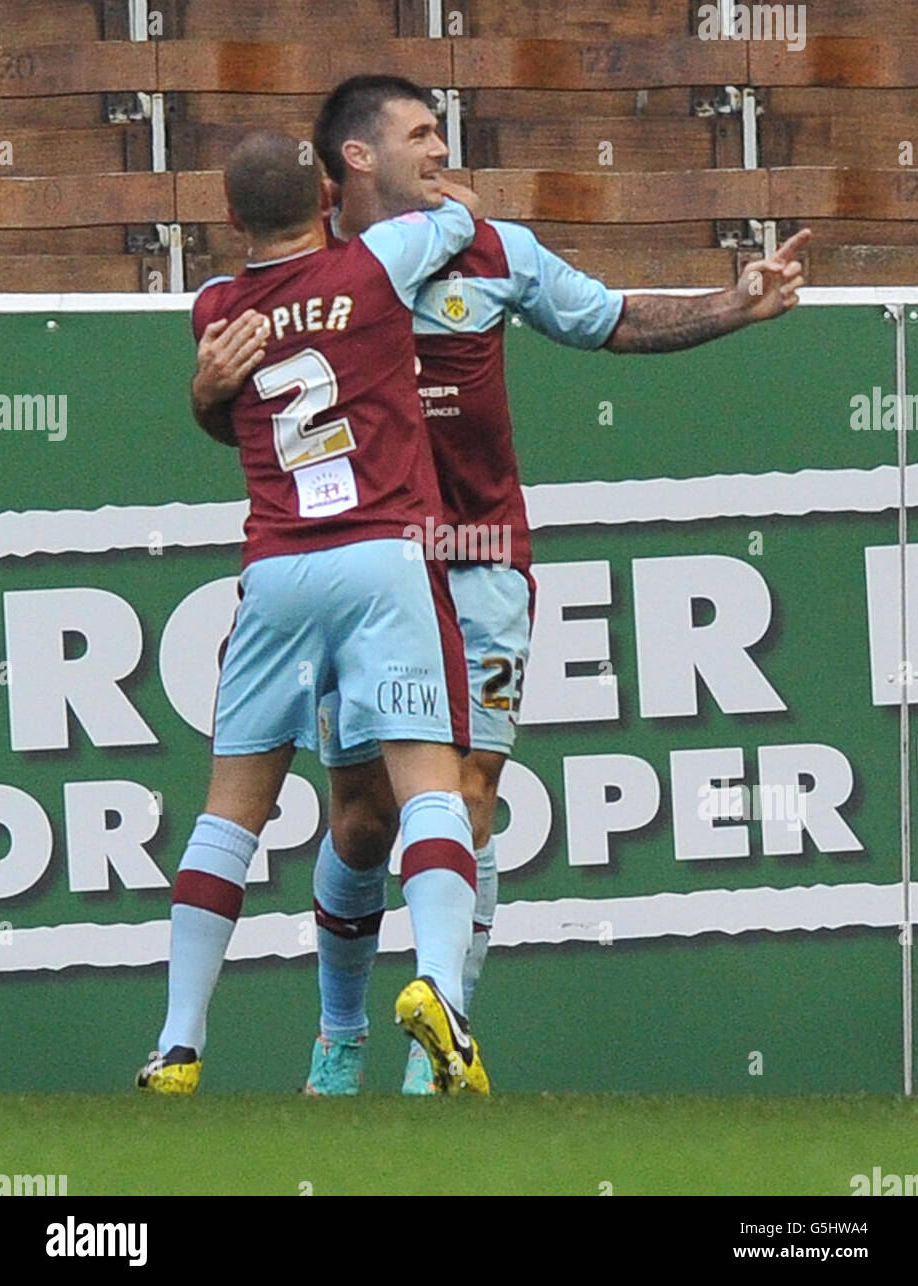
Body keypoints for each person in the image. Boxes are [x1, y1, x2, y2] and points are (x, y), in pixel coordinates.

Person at [194, 77, 810, 1096]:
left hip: (476, 555)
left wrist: (735, 303)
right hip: (367, 568)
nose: (442, 148)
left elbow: (611, 320)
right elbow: (252, 425)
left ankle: (439, 1055)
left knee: (469, 799)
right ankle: (338, 1035)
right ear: (353, 157)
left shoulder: (494, 251)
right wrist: (207, 392)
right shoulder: (303, 275)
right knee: (359, 818)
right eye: (420, 133)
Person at [137, 128, 491, 1097]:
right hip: (380, 557)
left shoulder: (215, 309)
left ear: (228, 211)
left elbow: (232, 405)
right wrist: (421, 180)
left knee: (229, 815)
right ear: (330, 191)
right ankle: (439, 999)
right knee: (427, 785)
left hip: (279, 567)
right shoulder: (376, 266)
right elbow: (459, 219)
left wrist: (207, 382)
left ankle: (177, 1041)